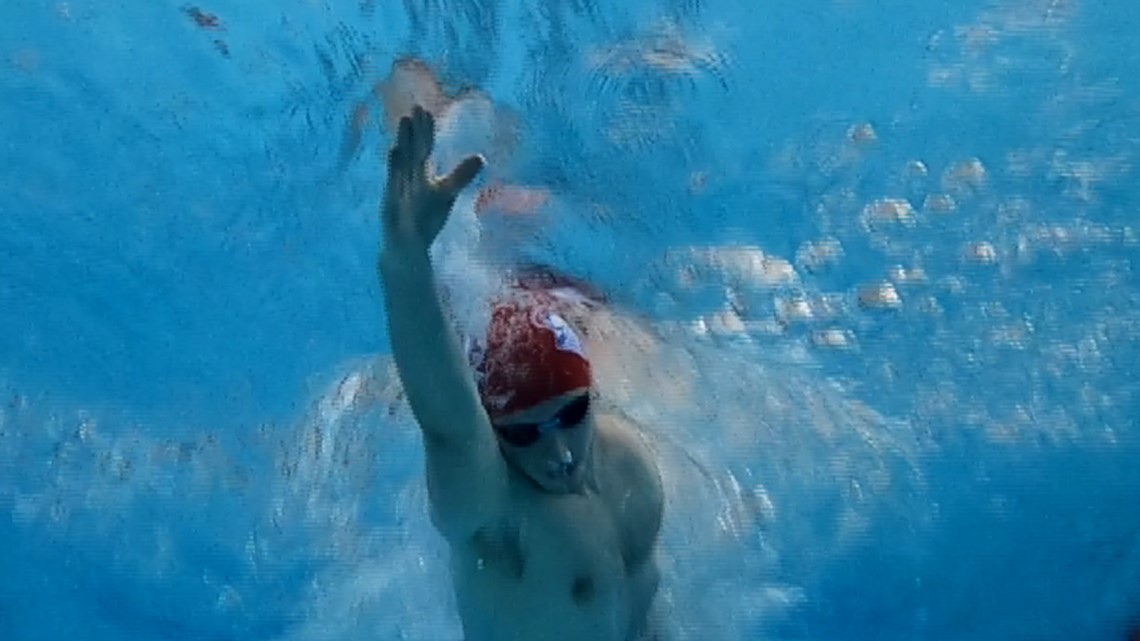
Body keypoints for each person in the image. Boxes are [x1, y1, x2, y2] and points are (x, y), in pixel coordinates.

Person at [378, 104, 665, 641]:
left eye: (572, 414)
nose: (558, 454)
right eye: (523, 432)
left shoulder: (629, 470)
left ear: (591, 393)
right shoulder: (495, 516)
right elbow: (448, 426)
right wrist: (406, 260)